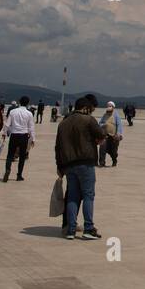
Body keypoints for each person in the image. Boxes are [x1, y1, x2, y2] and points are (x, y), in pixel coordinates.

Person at [55, 96, 105, 239]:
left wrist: (60, 166)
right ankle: (88, 228)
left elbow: (57, 147)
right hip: (85, 163)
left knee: (72, 196)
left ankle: (70, 229)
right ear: (85, 107)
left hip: (69, 165)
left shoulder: (63, 123)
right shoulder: (88, 119)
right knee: (88, 195)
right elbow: (100, 134)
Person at [3, 96, 36, 181]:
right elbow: (31, 127)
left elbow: (7, 124)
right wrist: (33, 139)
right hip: (23, 136)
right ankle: (19, 175)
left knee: (10, 155)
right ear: (28, 103)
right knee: (22, 157)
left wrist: (4, 133)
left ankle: (7, 170)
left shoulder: (13, 111)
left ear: (19, 102)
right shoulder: (29, 113)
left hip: (14, 135)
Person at [96, 101, 125, 167]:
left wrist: (118, 133)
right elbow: (100, 123)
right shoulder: (105, 115)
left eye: (110, 106)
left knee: (113, 151)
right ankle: (102, 163)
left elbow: (119, 124)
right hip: (105, 135)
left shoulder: (116, 115)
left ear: (113, 107)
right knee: (102, 148)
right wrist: (103, 125)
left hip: (114, 136)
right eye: (108, 106)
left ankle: (114, 160)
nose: (109, 107)